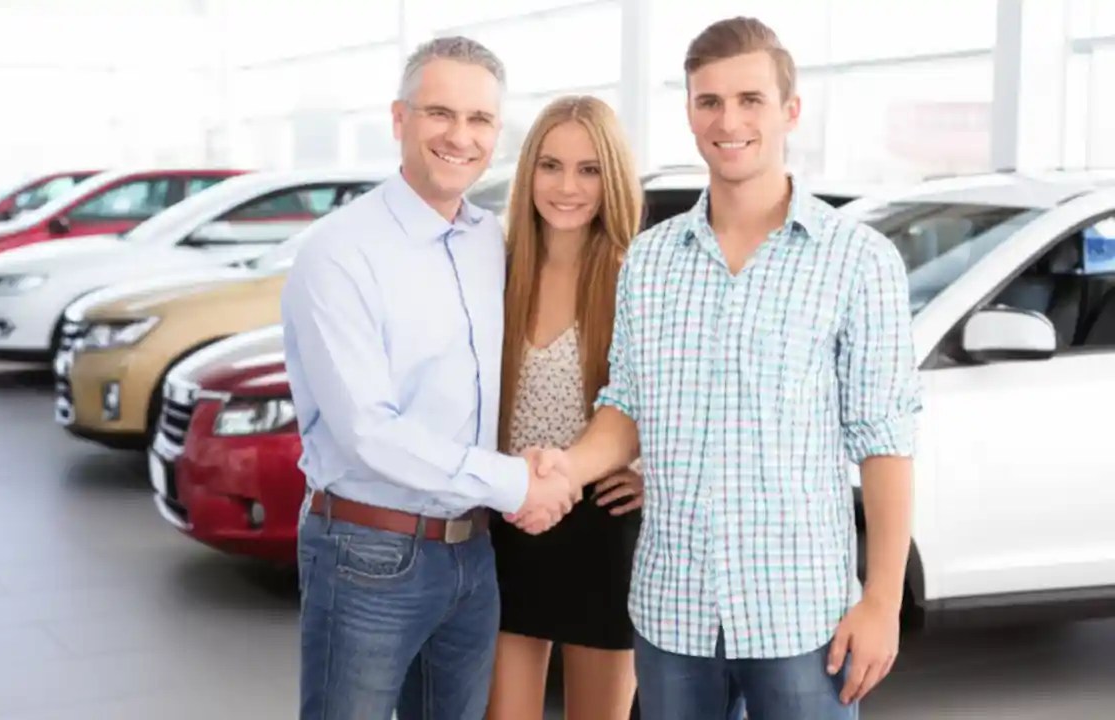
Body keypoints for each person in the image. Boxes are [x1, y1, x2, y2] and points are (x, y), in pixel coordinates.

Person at [528, 16, 922, 719]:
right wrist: (565, 468)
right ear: (689, 113)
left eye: (750, 100)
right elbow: (625, 411)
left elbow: (885, 440)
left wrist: (883, 601)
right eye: (709, 101)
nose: (728, 120)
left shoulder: (858, 260)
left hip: (802, 621)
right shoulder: (650, 260)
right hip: (672, 614)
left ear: (790, 111)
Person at [280, 36, 578, 720]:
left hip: (473, 553)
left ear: (496, 133)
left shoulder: (485, 241)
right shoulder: (340, 252)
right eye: (440, 113)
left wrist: (574, 461)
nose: (460, 136)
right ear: (399, 120)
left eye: (479, 120)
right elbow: (368, 433)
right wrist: (517, 482)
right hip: (366, 554)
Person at [486, 96, 646, 720]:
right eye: (551, 165)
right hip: (505, 523)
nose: (567, 187)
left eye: (588, 169)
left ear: (613, 178)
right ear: (528, 173)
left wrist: (649, 476)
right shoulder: (494, 271)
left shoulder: (636, 276)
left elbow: (674, 398)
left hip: (600, 532)